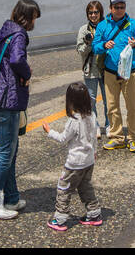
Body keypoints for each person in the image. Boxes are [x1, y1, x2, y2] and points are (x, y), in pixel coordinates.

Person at [0, 0, 39, 219]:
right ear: (27, 17)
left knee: (11, 152)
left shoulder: (6, 31)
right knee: (6, 153)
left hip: (0, 96)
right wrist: (27, 73)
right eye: (34, 17)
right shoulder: (19, 35)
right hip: (8, 99)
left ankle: (11, 198)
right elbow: (17, 60)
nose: (35, 22)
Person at [41, 83, 102, 231]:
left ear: (71, 102)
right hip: (89, 161)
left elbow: (63, 138)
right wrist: (94, 150)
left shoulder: (74, 120)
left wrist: (49, 131)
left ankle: (60, 218)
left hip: (74, 163)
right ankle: (94, 214)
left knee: (64, 189)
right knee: (85, 186)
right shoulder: (92, 115)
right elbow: (94, 136)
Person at [94, 0, 135, 151]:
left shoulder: (134, 24)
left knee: (132, 107)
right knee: (112, 106)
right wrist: (103, 46)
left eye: (122, 6)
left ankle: (133, 138)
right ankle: (116, 137)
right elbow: (95, 47)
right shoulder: (102, 25)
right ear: (110, 8)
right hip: (110, 72)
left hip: (130, 72)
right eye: (116, 7)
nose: (119, 9)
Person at [76, 0, 110, 137]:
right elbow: (80, 50)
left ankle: (109, 125)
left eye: (96, 12)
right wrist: (88, 43)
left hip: (106, 69)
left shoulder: (107, 27)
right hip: (90, 70)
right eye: (90, 13)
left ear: (101, 12)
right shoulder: (84, 29)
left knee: (109, 100)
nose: (93, 15)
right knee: (91, 100)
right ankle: (95, 126)